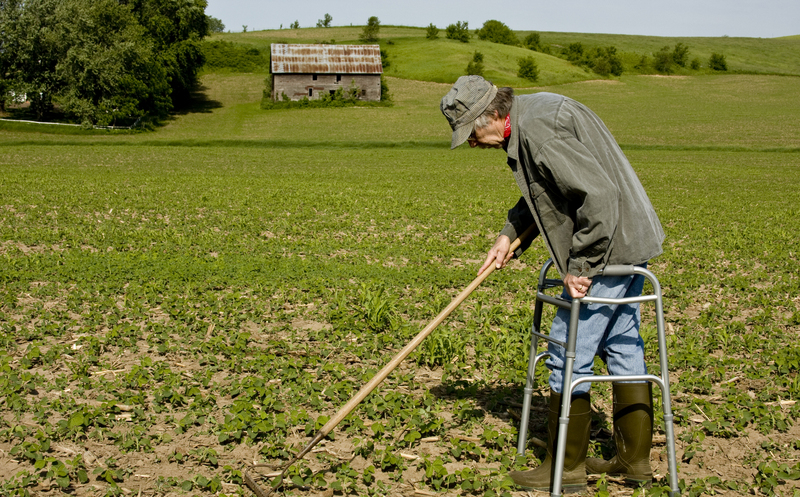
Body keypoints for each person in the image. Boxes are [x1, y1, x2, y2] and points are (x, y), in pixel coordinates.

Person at [440, 75, 665, 492]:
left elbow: (597, 196)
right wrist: (508, 235)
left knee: (566, 353)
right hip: (627, 244)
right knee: (622, 347)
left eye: (471, 132)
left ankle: (564, 469)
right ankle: (633, 463)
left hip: (606, 252)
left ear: (491, 115)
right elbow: (544, 192)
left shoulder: (539, 133)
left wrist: (581, 265)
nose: (471, 143)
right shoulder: (532, 115)